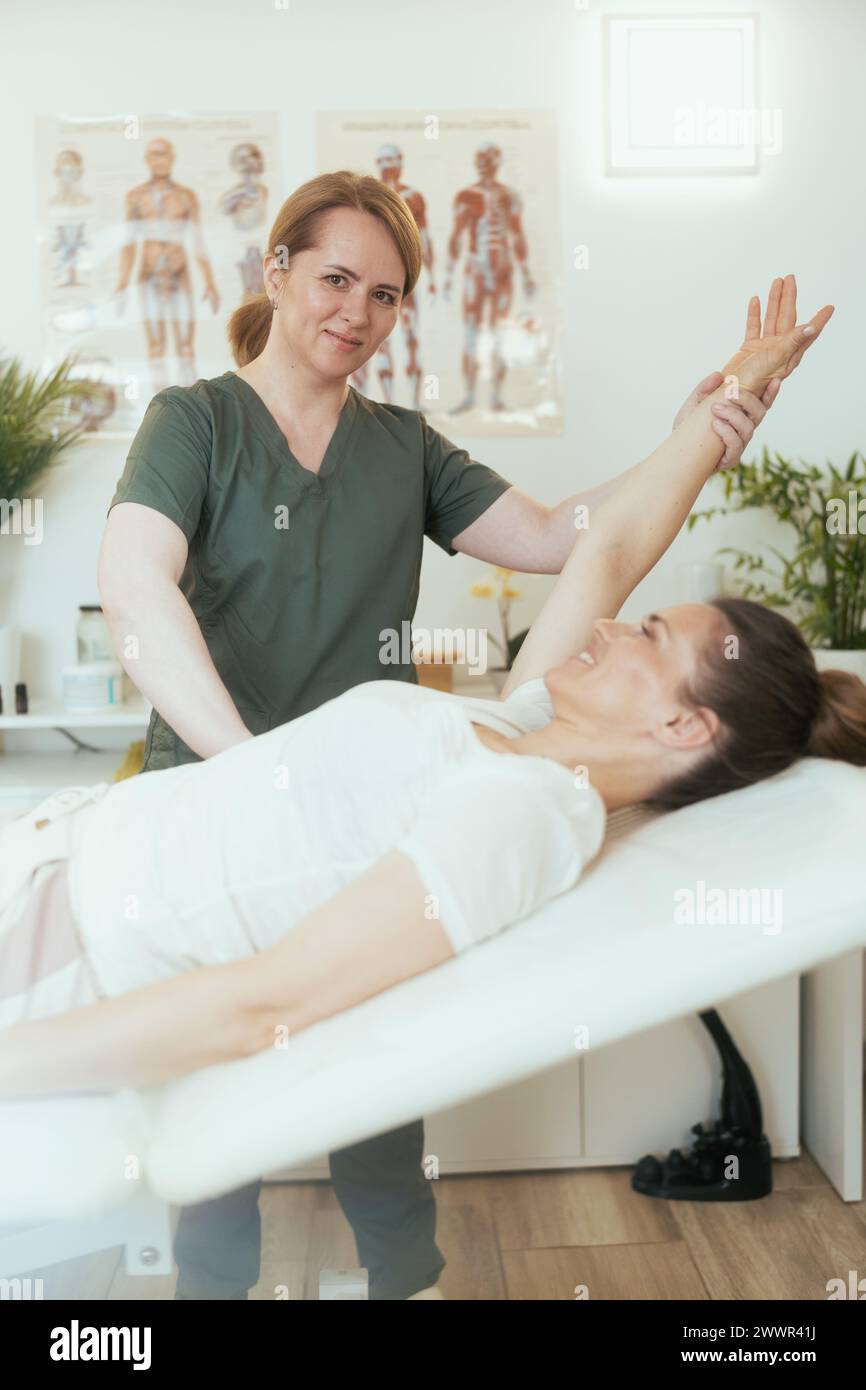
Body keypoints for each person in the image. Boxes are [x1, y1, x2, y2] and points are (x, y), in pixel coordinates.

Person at [3, 277, 860, 1285]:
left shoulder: (524, 813)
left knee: (369, 1192)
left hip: (66, 939)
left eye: (651, 635)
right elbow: (608, 549)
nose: (614, 623)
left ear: (681, 723)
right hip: (59, 853)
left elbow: (257, 1003)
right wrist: (717, 418)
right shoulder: (521, 724)